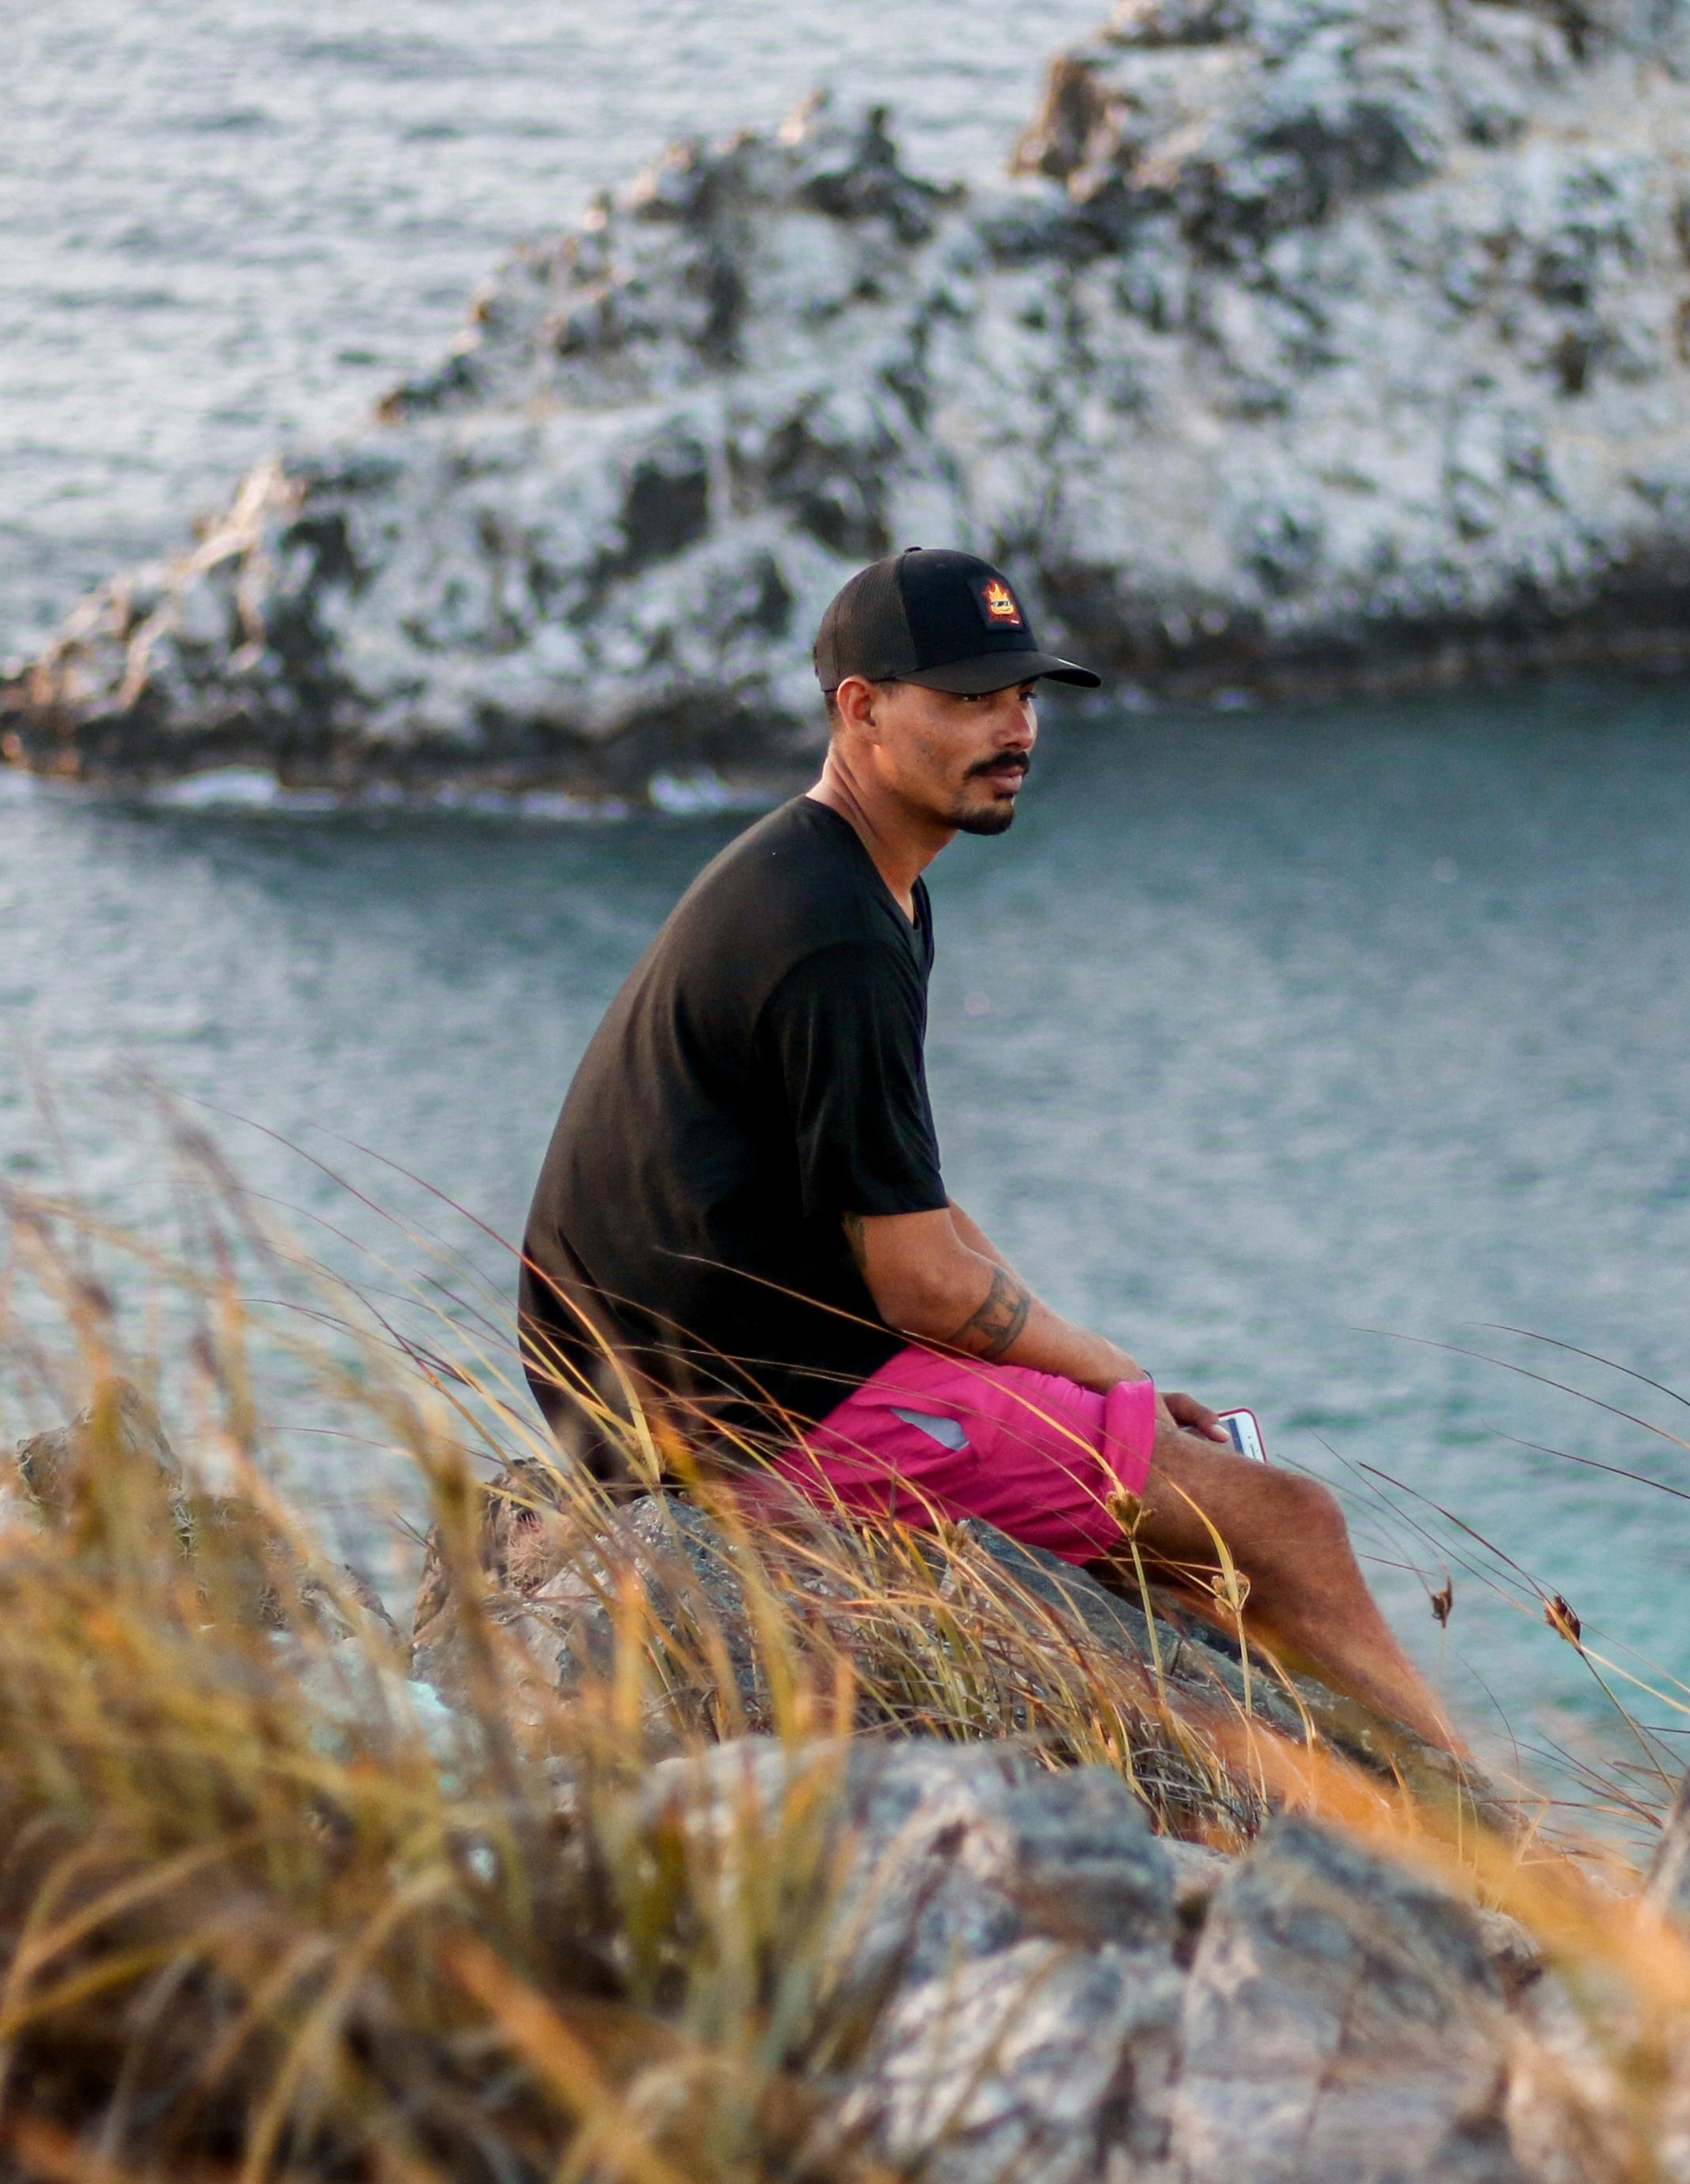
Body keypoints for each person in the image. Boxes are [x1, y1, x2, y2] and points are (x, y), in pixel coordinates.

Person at [519, 546, 1463, 1755]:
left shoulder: (852, 882)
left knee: (1179, 1571)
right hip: (755, 1426)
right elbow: (919, 1280)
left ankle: (1334, 1799)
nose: (1014, 728)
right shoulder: (831, 933)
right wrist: (1113, 1371)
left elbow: (910, 1206)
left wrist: (1086, 1385)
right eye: (968, 699)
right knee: (1288, 1524)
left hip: (733, 1391)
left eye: (1022, 696)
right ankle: (1502, 1839)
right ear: (860, 709)